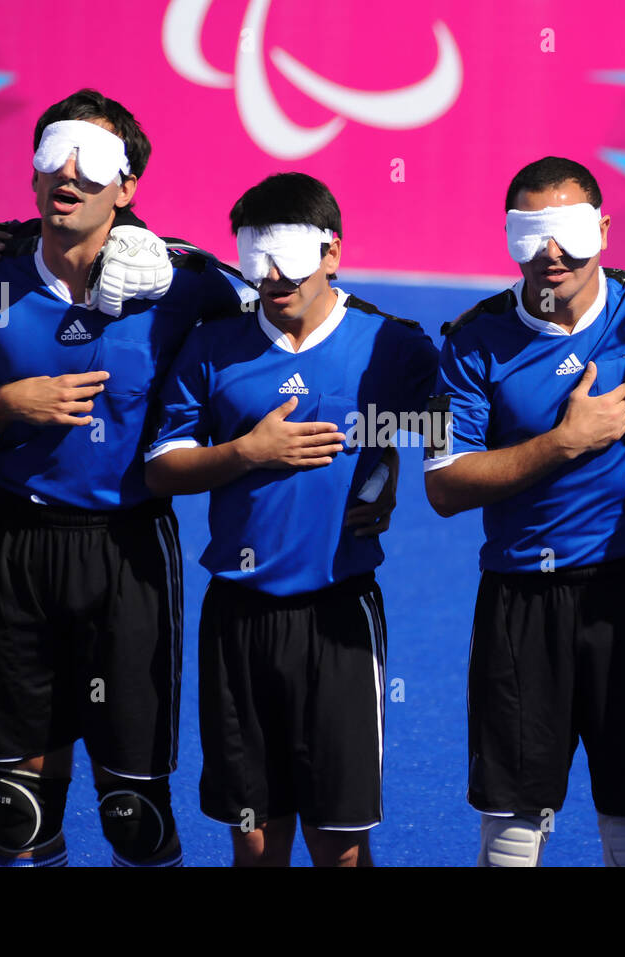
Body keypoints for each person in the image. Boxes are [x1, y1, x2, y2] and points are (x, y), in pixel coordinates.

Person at [0, 89, 245, 867]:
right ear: (31, 172)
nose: (67, 173)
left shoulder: (186, 282)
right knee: (15, 808)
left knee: (134, 809)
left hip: (128, 552)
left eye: (92, 161)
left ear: (125, 187)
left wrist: (373, 476)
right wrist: (3, 404)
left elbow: (300, 312)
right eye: (53, 155)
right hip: (19, 545)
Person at [424, 156, 625, 867]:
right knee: (511, 826)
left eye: (569, 230)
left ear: (603, 228)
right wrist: (567, 442)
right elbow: (444, 485)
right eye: (531, 234)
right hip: (520, 599)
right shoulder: (474, 340)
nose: (551, 253)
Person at [144, 172, 435, 866]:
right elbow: (161, 466)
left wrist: (387, 463)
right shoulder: (214, 347)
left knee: (339, 842)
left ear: (332, 252)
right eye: (256, 257)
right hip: (238, 617)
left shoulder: (392, 345)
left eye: (290, 256)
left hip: (338, 618)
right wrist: (247, 451)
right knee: (253, 837)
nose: (272, 276)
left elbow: (461, 422)